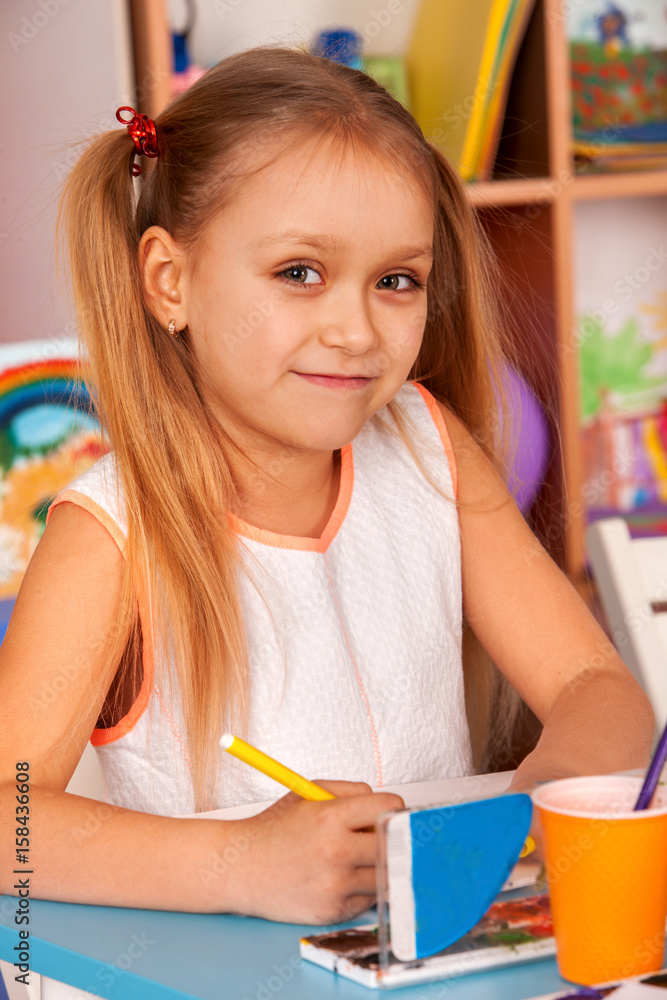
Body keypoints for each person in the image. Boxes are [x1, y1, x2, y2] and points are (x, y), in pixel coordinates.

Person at [0, 46, 653, 926]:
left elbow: (593, 686)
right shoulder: (114, 532)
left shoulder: (428, 445)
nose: (353, 329)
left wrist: (520, 821)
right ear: (170, 282)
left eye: (395, 281)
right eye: (299, 272)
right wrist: (239, 864)